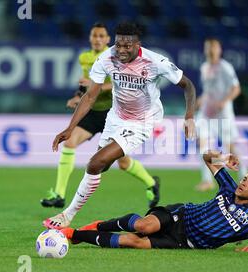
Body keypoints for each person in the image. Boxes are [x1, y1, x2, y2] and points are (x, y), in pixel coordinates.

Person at [43, 21, 197, 229]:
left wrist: (189, 116)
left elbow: (188, 85)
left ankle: (67, 215)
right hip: (115, 118)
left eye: (127, 46)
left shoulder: (155, 61)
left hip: (142, 122)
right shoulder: (106, 59)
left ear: (137, 44)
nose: (122, 50)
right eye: (118, 45)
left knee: (94, 163)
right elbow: (89, 97)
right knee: (101, 167)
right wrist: (70, 128)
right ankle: (151, 182)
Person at [60, 150, 248, 253]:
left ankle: (78, 236)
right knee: (144, 226)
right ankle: (81, 231)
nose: (243, 184)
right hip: (181, 215)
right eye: (245, 179)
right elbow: (206, 157)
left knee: (133, 242)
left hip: (185, 243)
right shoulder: (229, 187)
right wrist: (222, 159)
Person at [40, 22, 161, 209]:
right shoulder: (85, 58)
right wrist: (77, 97)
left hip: (113, 113)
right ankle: (59, 194)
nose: (97, 39)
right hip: (93, 111)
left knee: (122, 163)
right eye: (94, 36)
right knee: (70, 143)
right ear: (90, 38)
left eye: (101, 36)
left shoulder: (115, 56)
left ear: (107, 39)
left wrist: (95, 86)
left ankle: (151, 183)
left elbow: (120, 83)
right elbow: (86, 88)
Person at [195, 38, 248, 192]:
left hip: (223, 113)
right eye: (208, 47)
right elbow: (208, 89)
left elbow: (236, 88)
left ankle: (243, 174)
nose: (211, 50)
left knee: (230, 146)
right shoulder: (204, 67)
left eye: (214, 47)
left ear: (219, 49)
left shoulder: (225, 67)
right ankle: (207, 180)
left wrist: (224, 101)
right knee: (202, 142)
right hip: (206, 112)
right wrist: (202, 98)